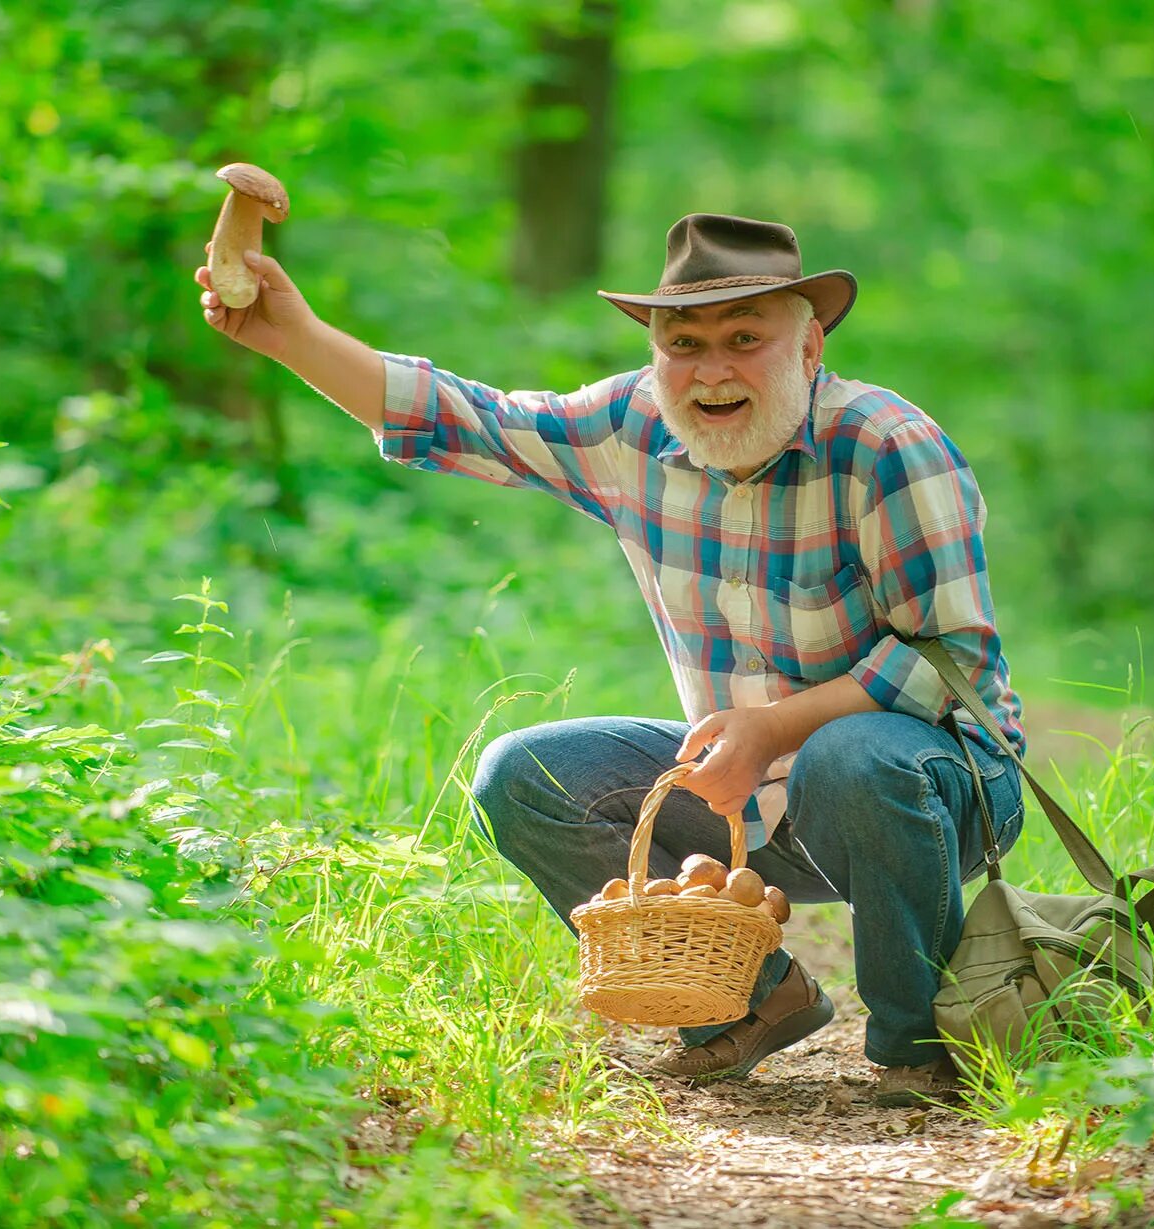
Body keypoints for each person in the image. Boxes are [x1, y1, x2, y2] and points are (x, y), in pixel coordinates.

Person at [194, 212, 1027, 1107]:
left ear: (810, 343)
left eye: (746, 338)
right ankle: (749, 1004)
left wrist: (776, 727)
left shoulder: (885, 446)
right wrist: (295, 337)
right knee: (528, 773)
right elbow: (467, 419)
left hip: (930, 787)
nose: (712, 369)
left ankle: (923, 1042)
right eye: (685, 341)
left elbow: (953, 667)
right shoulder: (631, 427)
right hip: (750, 798)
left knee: (848, 754)